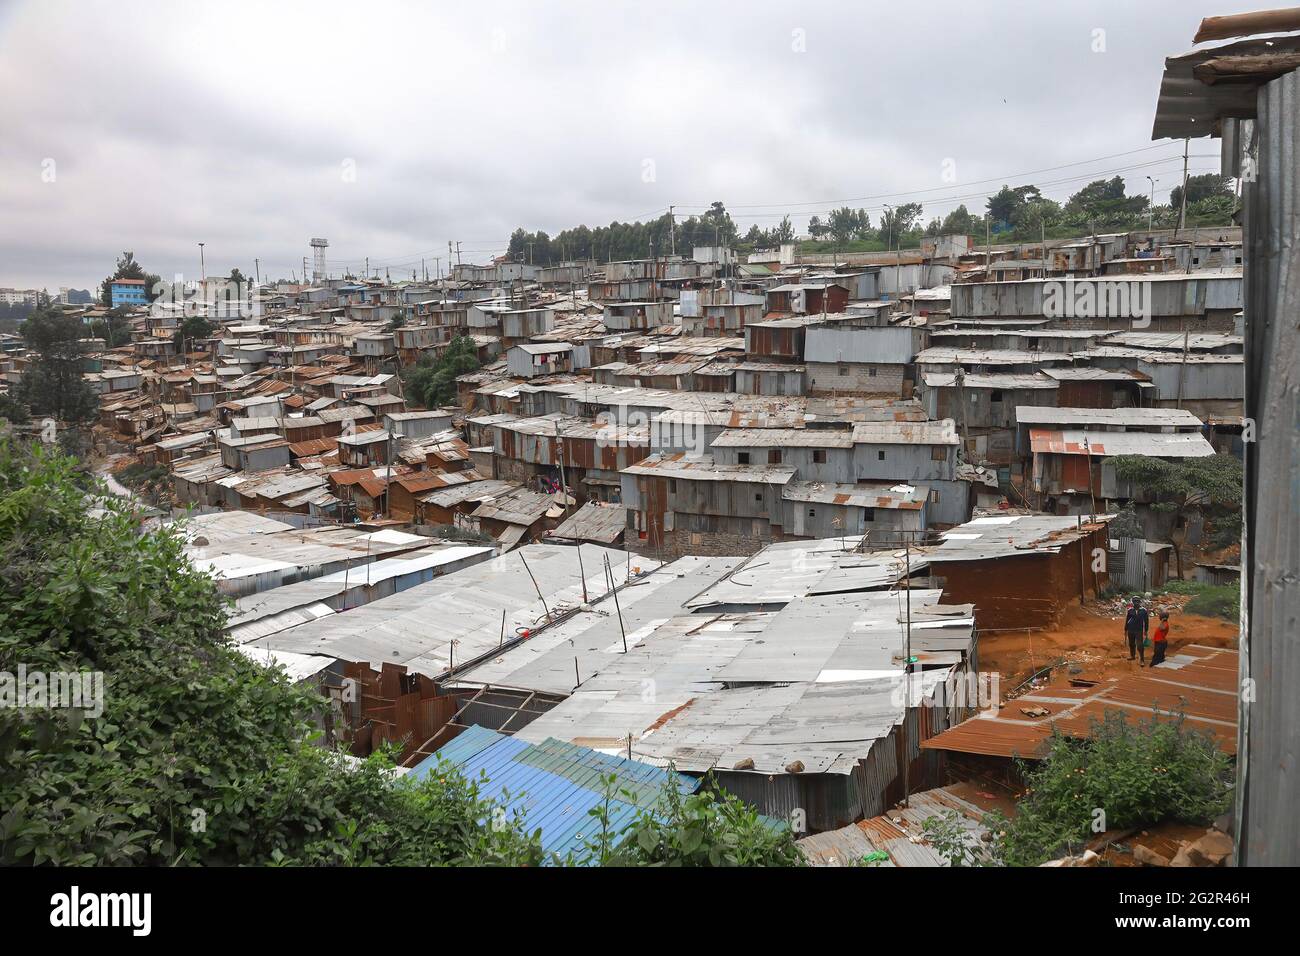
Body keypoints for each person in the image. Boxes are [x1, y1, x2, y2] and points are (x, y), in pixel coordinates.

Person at [1124, 596, 1149, 665]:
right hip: (1130, 629)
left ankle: (1142, 660)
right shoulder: (1130, 610)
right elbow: (1127, 620)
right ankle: (1132, 656)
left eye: (1137, 601)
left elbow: (1146, 621)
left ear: (1140, 602)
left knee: (1140, 645)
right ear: (1132, 602)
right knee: (1131, 644)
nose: (1136, 603)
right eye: (1135, 601)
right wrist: (1125, 629)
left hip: (1139, 630)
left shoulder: (1144, 610)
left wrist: (1146, 630)